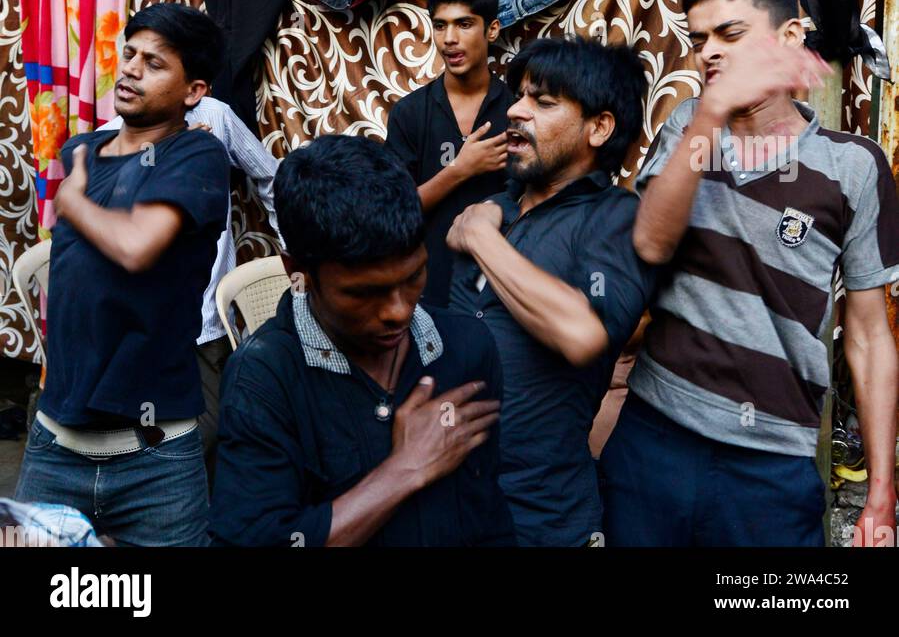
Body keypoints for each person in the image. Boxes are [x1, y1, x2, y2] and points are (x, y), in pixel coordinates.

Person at [601, 0, 899, 548]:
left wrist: (882, 490)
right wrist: (710, 114)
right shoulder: (688, 126)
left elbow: (867, 335)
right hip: (656, 438)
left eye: (730, 35)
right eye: (699, 39)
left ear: (789, 38)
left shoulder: (854, 166)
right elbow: (650, 242)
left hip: (773, 463)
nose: (709, 51)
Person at [209, 135, 514, 547]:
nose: (398, 311)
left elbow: (488, 516)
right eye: (363, 293)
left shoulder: (468, 347)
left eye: (412, 278)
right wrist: (404, 470)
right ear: (296, 270)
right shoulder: (262, 378)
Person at [15, 3, 230, 547]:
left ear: (193, 90)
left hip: (155, 458)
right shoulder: (82, 151)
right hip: (53, 446)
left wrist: (72, 201)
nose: (131, 68)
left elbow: (136, 246)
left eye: (155, 63)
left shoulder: (197, 153)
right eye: (129, 52)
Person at [448, 37, 657, 547]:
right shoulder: (501, 204)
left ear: (599, 127)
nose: (516, 111)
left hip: (538, 514)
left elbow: (582, 333)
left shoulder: (616, 219)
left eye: (543, 102)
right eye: (520, 96)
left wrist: (479, 236)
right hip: (447, 498)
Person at [100, 92, 282, 469]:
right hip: (143, 330)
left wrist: (297, 251)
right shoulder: (113, 138)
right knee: (165, 444)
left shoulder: (216, 117)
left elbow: (270, 176)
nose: (138, 74)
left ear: (194, 86)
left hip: (205, 328)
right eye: (135, 59)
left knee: (215, 432)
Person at [385, 0, 513, 307]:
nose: (449, 39)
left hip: (502, 293)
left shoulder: (518, 111)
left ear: (492, 30)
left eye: (464, 24)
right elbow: (394, 212)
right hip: (427, 294)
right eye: (440, 25)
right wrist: (461, 169)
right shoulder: (410, 113)